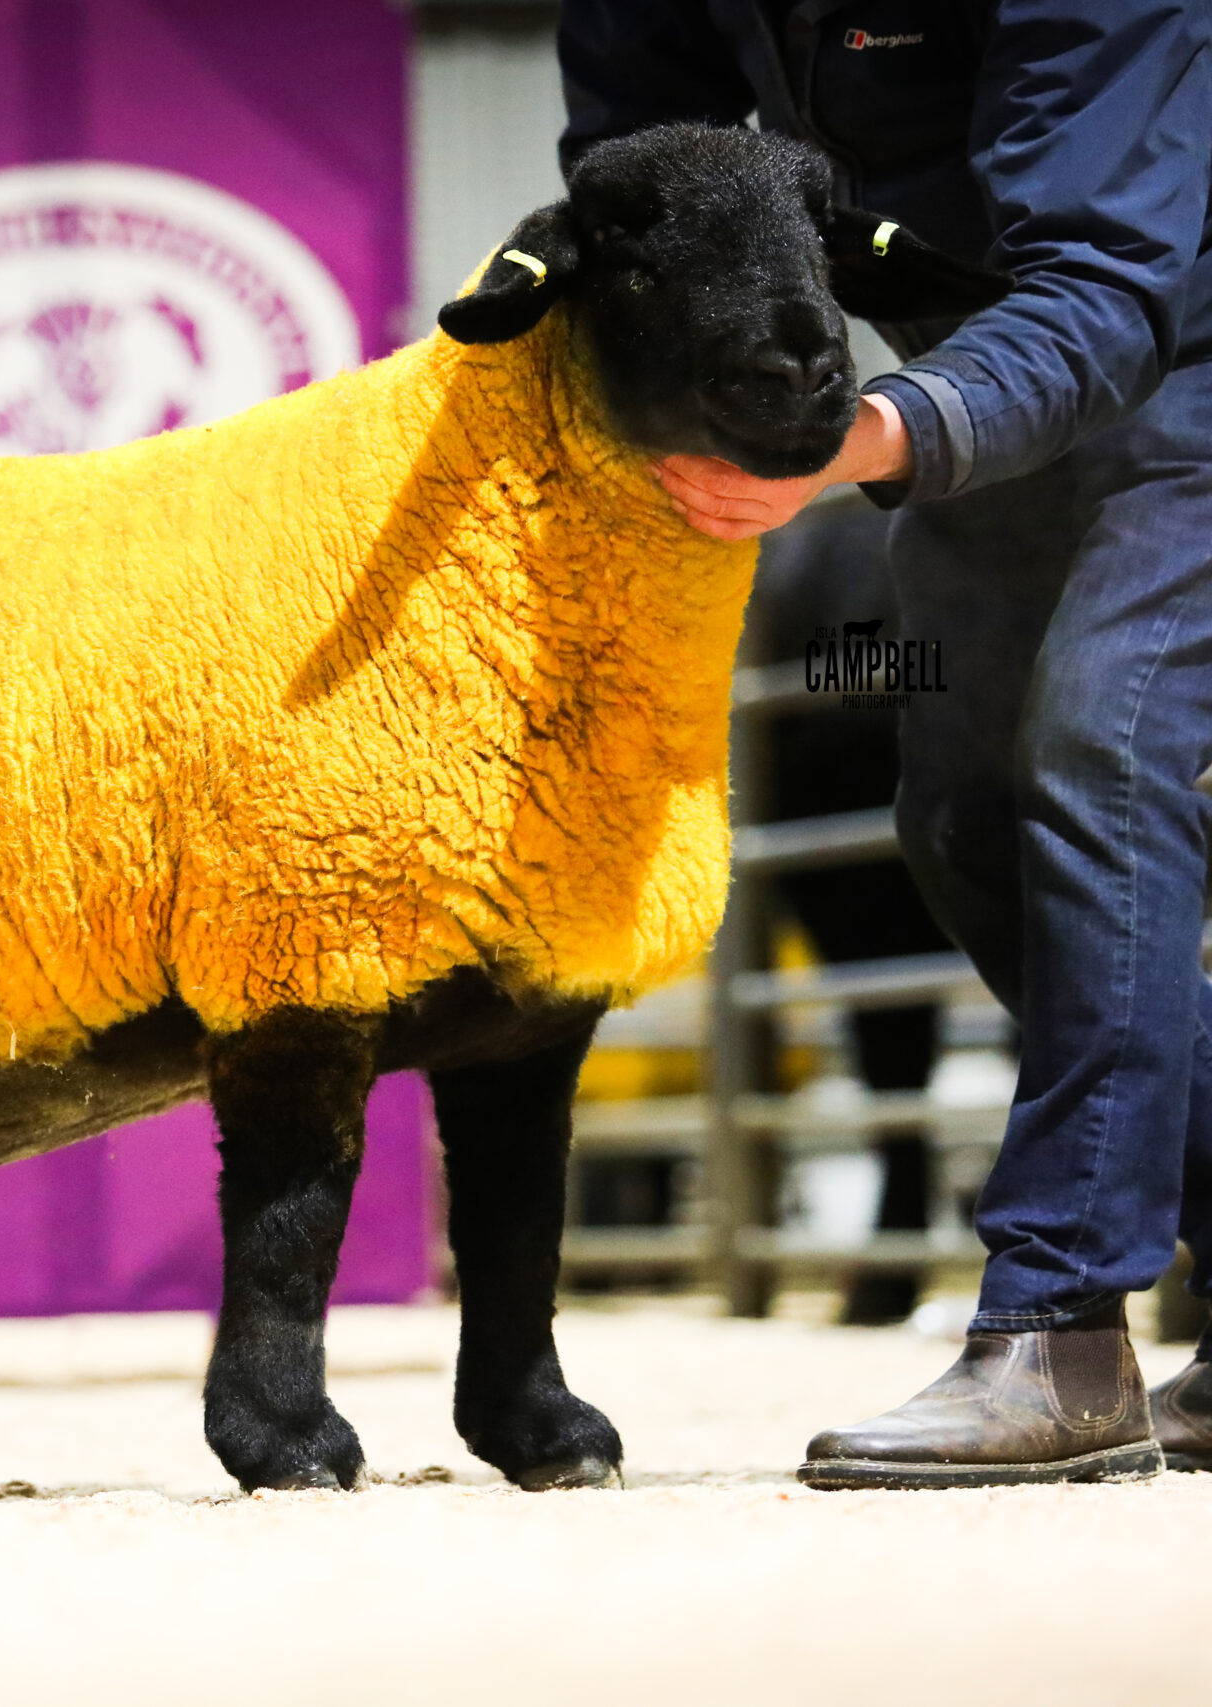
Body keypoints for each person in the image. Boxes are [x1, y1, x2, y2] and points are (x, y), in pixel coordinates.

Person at [556, 0, 1212, 1486]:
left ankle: (1062, 1332)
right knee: (963, 825)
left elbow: (1110, 278)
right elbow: (628, 175)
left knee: (1093, 752)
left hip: (1174, 366)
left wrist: (862, 438)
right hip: (965, 379)